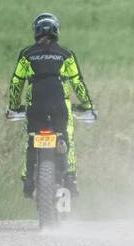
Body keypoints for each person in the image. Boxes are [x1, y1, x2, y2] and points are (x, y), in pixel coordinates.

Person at [5, 13, 95, 197]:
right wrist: (87, 105)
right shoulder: (66, 54)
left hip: (35, 105)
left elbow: (16, 83)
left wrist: (14, 106)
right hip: (58, 105)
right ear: (56, 32)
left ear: (36, 33)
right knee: (66, 136)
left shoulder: (27, 54)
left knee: (31, 141)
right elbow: (77, 83)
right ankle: (69, 177)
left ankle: (29, 179)